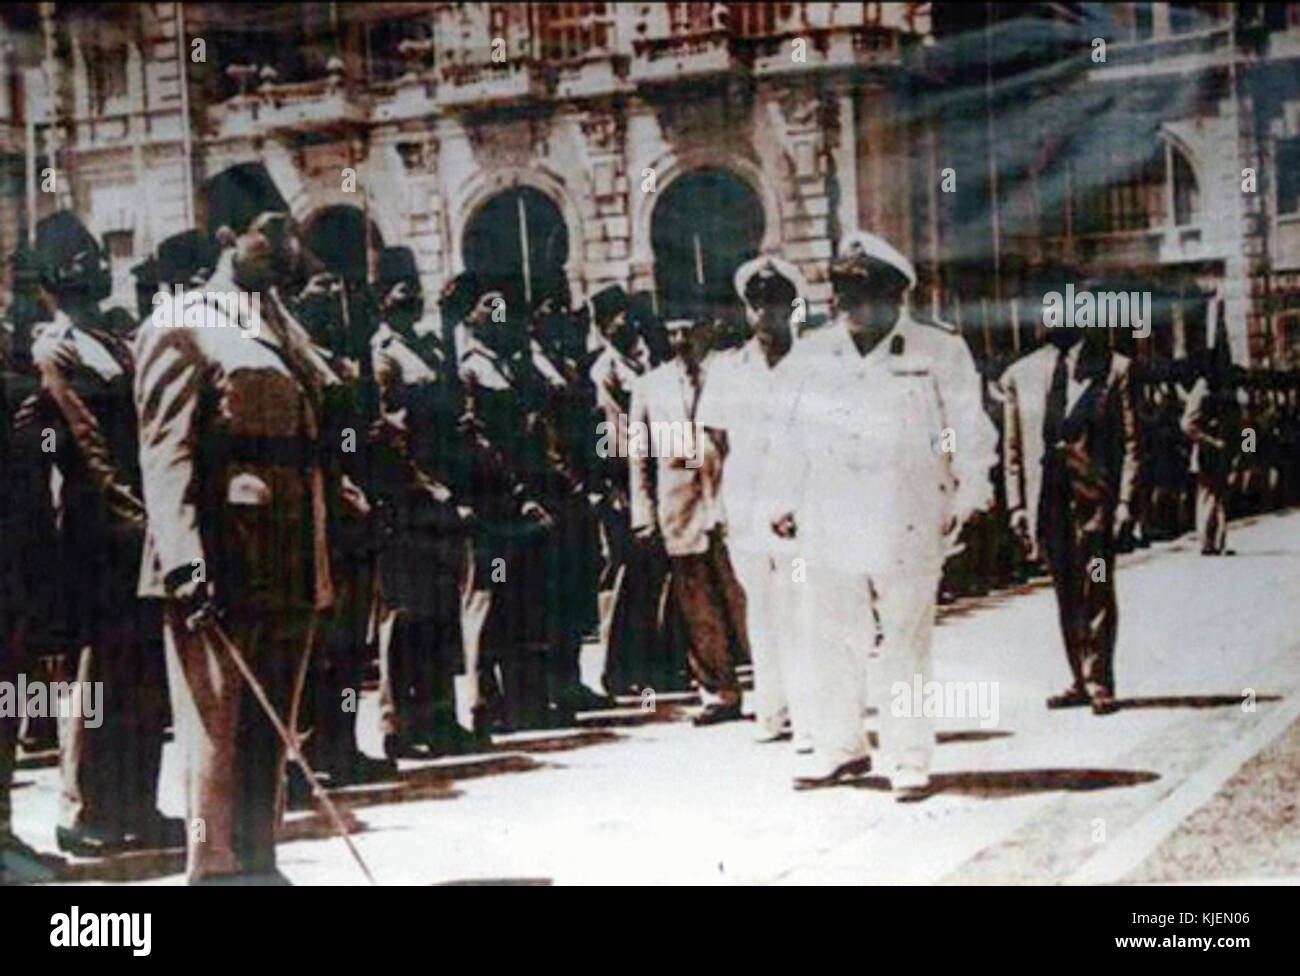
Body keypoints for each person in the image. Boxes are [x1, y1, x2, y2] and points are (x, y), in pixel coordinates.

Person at [134, 164, 353, 883]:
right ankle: (215, 869)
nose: (287, 242)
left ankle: (260, 861)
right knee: (215, 723)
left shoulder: (279, 323)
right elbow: (165, 454)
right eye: (273, 231)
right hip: (224, 554)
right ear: (229, 237)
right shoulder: (181, 320)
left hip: (291, 545)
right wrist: (184, 561)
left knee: (272, 721)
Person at [768, 231, 996, 797]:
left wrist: (971, 492)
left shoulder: (938, 350)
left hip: (909, 515)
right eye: (843, 297)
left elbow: (970, 428)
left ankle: (908, 756)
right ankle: (840, 748)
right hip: (830, 514)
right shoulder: (814, 354)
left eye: (863, 297)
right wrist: (779, 497)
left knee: (904, 638)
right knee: (829, 634)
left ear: (897, 299)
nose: (852, 310)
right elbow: (786, 433)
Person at [27, 211, 179, 856]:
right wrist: (138, 518)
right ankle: (85, 807)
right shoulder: (53, 350)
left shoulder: (118, 342)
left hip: (140, 522)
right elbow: (89, 447)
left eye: (95, 263)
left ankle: (137, 804)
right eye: (76, 268)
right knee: (95, 675)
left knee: (143, 669)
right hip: (94, 529)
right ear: (51, 286)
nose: (91, 273)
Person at [1001, 284, 1139, 717]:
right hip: (1049, 506)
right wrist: (1017, 506)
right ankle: (1078, 678)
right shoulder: (1019, 376)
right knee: (1065, 591)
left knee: (1096, 583)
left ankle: (1100, 681)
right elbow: (1013, 450)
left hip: (1095, 504)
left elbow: (1133, 445)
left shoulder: (1114, 370)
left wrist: (1124, 505)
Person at [370, 247, 477, 757]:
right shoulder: (384, 353)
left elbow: (453, 405)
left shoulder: (431, 348)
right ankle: (396, 722)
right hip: (407, 494)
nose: (410, 296)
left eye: (414, 287)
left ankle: (437, 716)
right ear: (383, 298)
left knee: (440, 611)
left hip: (442, 490)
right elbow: (389, 432)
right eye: (399, 288)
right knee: (403, 615)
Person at [697, 254, 808, 743]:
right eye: (759, 305)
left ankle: (808, 710)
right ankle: (773, 707)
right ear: (747, 311)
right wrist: (717, 505)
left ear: (792, 307)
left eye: (778, 304)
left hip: (804, 504)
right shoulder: (727, 370)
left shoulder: (814, 364)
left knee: (803, 607)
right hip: (747, 506)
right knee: (760, 608)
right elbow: (714, 445)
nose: (768, 314)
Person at [629, 314, 746, 726]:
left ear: (705, 330)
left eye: (688, 330)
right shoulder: (648, 386)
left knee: (744, 600)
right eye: (672, 332)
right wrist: (642, 513)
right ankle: (718, 691)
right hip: (680, 509)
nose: (679, 340)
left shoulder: (729, 375)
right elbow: (638, 456)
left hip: (730, 503)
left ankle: (774, 691)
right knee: (697, 606)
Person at [1181, 345, 1239, 555]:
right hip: (1207, 452)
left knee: (1220, 496)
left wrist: (1241, 450)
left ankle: (1219, 542)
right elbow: (1187, 424)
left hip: (1221, 451)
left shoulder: (1222, 388)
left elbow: (1241, 424)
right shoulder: (1202, 389)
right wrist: (1210, 441)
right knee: (1208, 496)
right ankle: (1206, 542)